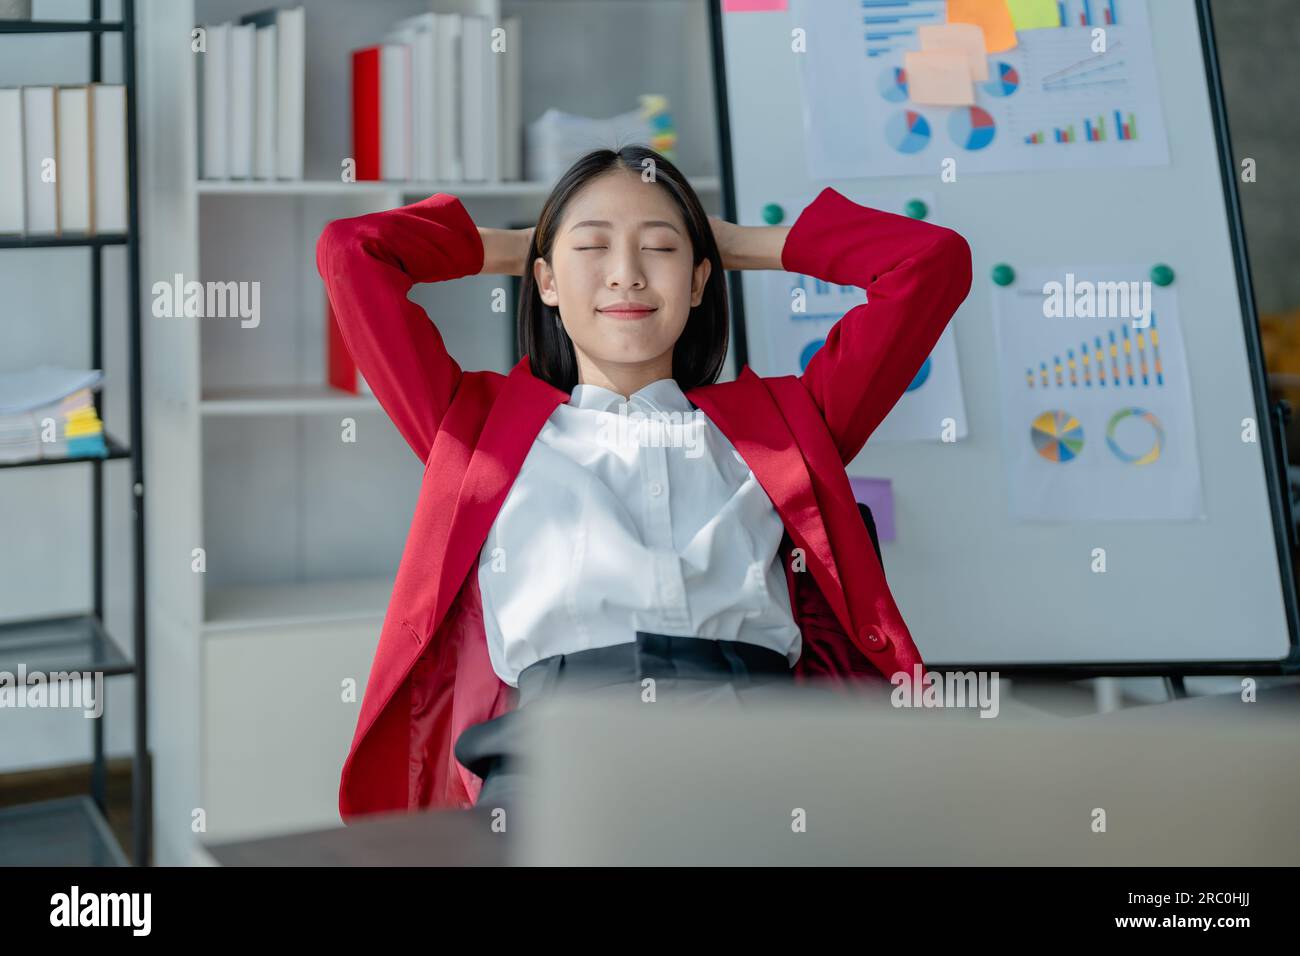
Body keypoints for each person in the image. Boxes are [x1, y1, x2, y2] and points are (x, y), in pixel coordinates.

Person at [315, 146, 972, 821]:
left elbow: (930, 263)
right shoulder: (477, 433)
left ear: (697, 281)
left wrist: (737, 244)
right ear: (543, 281)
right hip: (557, 750)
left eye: (659, 248)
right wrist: (519, 247)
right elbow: (351, 252)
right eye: (592, 248)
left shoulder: (787, 427)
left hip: (757, 739)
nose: (625, 275)